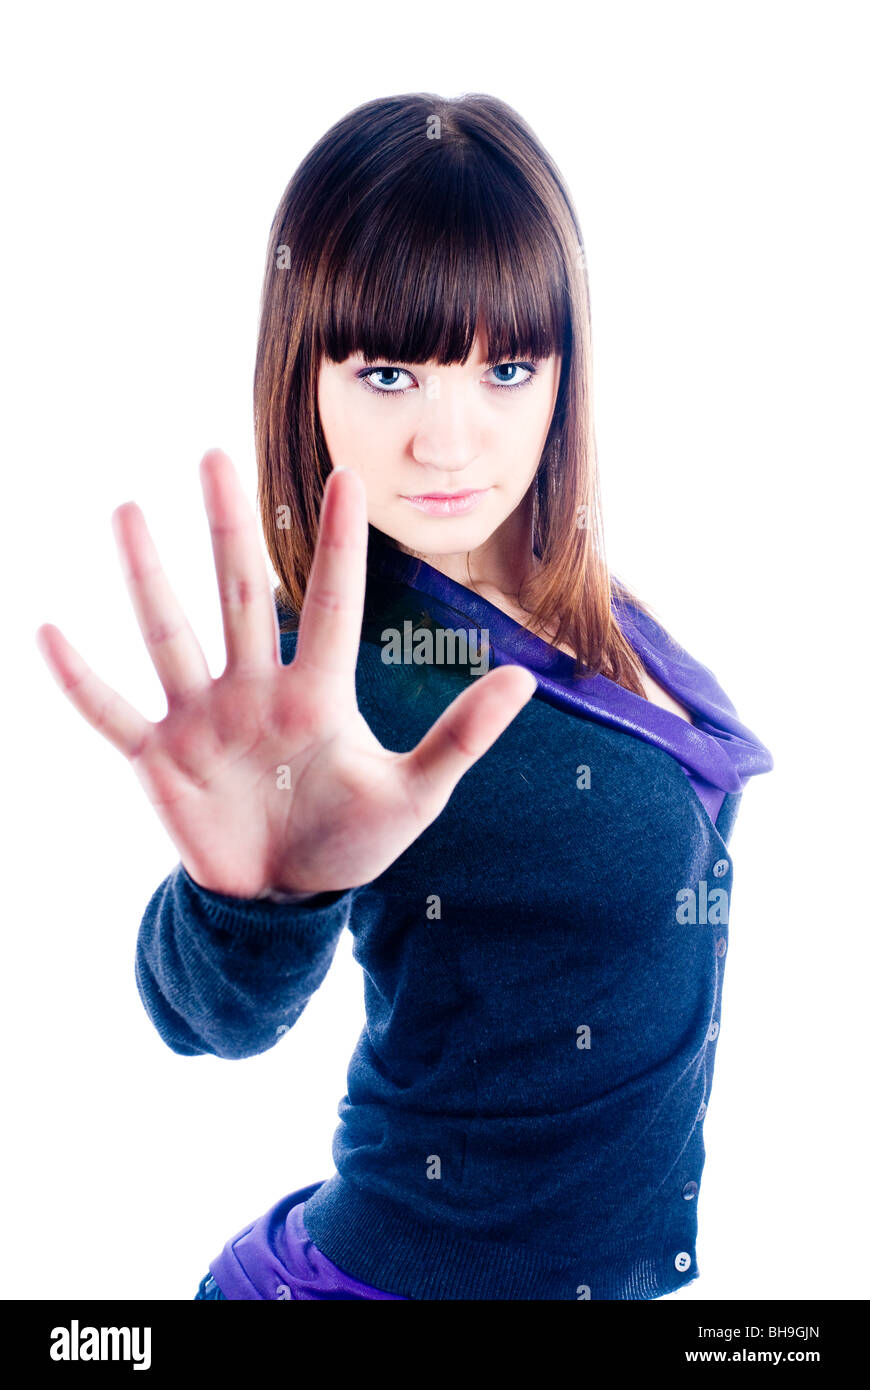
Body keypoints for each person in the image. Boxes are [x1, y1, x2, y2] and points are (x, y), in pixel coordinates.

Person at [35, 92, 773, 1301]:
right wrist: (255, 894)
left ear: (563, 376)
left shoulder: (576, 593)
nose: (448, 443)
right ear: (305, 379)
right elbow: (203, 1009)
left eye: (507, 368)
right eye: (387, 371)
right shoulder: (327, 671)